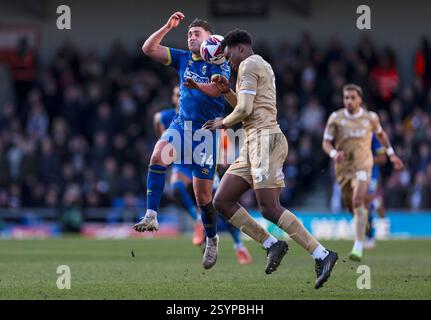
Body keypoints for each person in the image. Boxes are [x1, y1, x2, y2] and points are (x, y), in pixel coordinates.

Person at [201, 29, 338, 289]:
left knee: (269, 208)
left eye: (229, 56)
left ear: (241, 49)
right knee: (223, 200)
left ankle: (322, 254)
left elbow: (243, 110)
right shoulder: (255, 65)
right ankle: (271, 244)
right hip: (253, 143)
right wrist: (227, 91)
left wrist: (222, 123)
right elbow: (245, 107)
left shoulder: (249, 64)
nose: (228, 61)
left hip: (265, 140)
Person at [134, 12, 260, 270]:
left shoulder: (221, 62)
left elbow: (217, 90)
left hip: (206, 133)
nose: (191, 37)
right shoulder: (181, 58)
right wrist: (167, 26)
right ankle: (151, 215)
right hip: (182, 125)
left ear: (210, 39)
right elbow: (148, 49)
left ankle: (212, 239)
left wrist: (196, 85)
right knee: (157, 155)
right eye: (189, 34)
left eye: (196, 34)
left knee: (204, 197)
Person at [153, 86, 252, 264]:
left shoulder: (203, 112)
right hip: (183, 162)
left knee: (218, 205)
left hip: (204, 157)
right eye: (176, 94)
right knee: (176, 188)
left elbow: (222, 136)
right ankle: (197, 221)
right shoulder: (167, 116)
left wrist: (222, 156)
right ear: (174, 98)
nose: (179, 96)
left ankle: (239, 245)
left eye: (180, 93)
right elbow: (158, 121)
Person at [322, 83, 404, 261]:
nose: (350, 102)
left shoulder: (371, 129)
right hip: (344, 170)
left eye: (353, 98)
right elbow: (326, 142)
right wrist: (335, 153)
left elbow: (381, 157)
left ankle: (363, 241)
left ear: (360, 101)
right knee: (353, 204)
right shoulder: (336, 118)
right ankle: (367, 223)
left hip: (367, 170)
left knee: (361, 201)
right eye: (346, 98)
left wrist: (389, 156)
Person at [364, 134, 387, 249]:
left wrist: (366, 160)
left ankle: (370, 237)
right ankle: (376, 203)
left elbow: (383, 158)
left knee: (366, 205)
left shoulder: (373, 137)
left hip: (371, 174)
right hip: (358, 175)